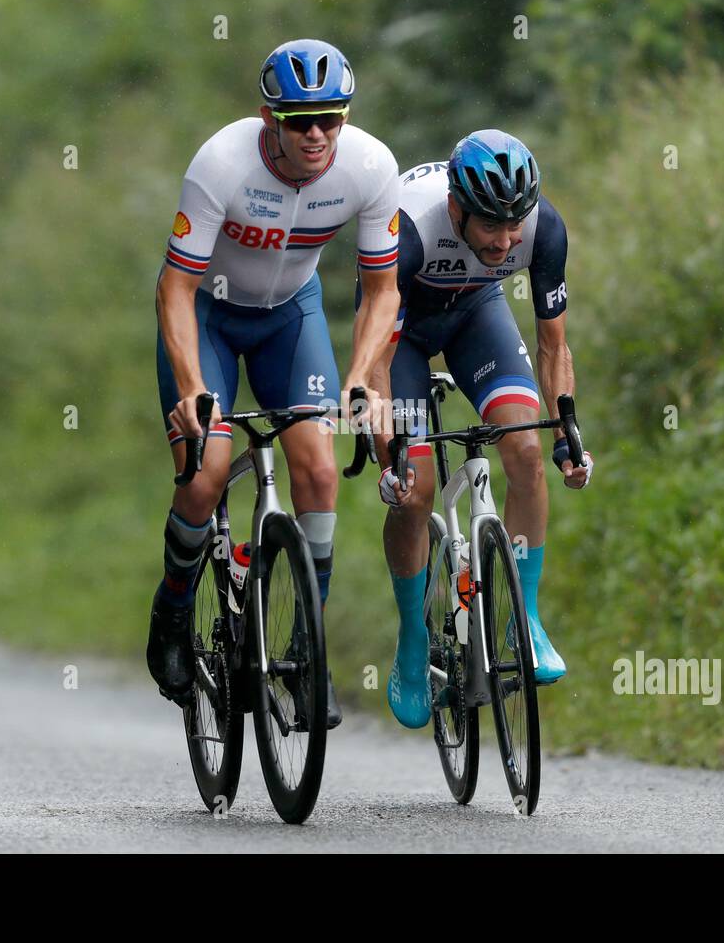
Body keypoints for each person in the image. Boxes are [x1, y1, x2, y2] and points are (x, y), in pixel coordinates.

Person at [149, 39, 402, 730]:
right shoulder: (220, 164)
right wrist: (194, 386)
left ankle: (305, 651)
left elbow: (383, 291)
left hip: (292, 317)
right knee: (208, 473)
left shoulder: (372, 167)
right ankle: (173, 612)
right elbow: (176, 288)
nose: (316, 134)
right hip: (210, 317)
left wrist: (359, 378)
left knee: (320, 469)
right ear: (270, 118)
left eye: (330, 118)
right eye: (299, 120)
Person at [371, 130, 592, 728]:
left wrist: (566, 430)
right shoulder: (408, 230)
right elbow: (374, 357)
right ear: (456, 209)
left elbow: (554, 346)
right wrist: (387, 446)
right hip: (404, 337)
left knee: (523, 451)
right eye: (490, 226)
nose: (505, 239)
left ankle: (528, 621)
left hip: (476, 316)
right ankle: (413, 646)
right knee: (413, 492)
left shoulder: (542, 229)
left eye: (514, 224)